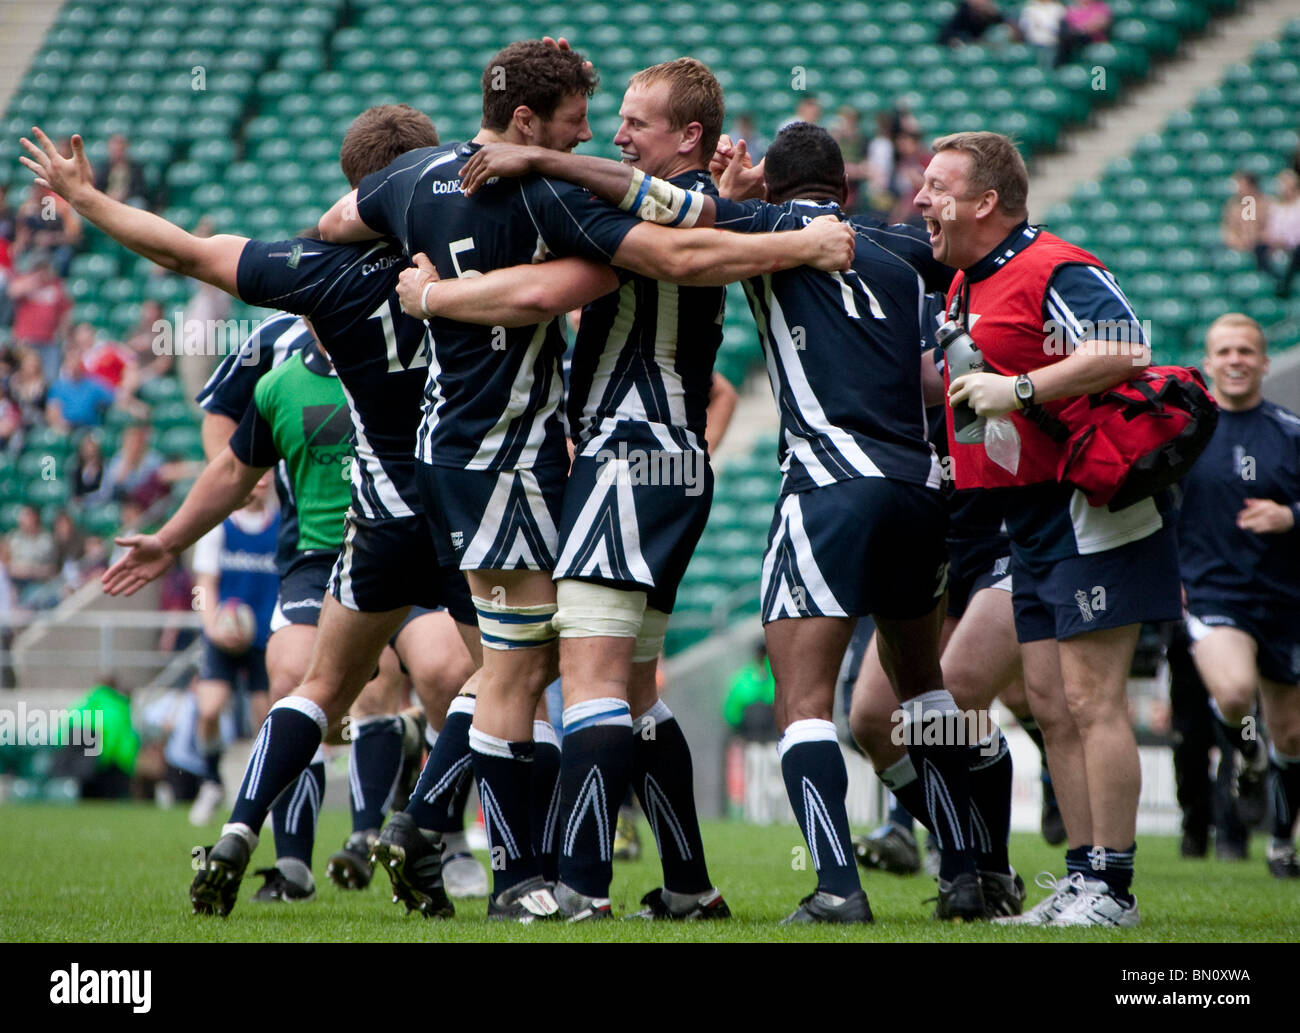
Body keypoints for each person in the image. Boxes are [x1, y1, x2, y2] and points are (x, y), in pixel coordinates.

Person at [316, 39, 856, 920]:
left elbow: (675, 250)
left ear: (687, 136)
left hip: (627, 449)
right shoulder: (697, 200)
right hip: (663, 457)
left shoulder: (662, 206)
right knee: (636, 688)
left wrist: (437, 287)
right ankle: (687, 884)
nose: (617, 139)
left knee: (586, 676)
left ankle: (572, 881)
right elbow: (688, 223)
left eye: (635, 126)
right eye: (610, 124)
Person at [25, 109, 487, 913]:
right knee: (502, 675)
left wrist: (89, 202)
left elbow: (186, 250)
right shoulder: (482, 250)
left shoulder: (320, 274)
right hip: (467, 507)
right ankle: (442, 837)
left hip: (378, 518)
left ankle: (253, 828)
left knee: (323, 685)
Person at [919, 130, 1181, 927]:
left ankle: (1114, 888)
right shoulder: (967, 279)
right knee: (1047, 699)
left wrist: (1022, 388)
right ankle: (1080, 878)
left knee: (1091, 697)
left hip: (1087, 504)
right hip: (1025, 514)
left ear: (985, 200)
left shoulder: (1053, 266)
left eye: (937, 185)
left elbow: (1126, 345)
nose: (922, 199)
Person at [1177, 312, 1300, 879]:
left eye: (1246, 351)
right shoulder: (1185, 429)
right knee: (1232, 692)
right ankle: (1244, 757)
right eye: (1224, 351)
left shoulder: (1290, 432)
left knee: (1292, 733)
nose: (1235, 360)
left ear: (1263, 361)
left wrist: (1289, 514)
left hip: (1285, 598)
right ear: (1208, 362)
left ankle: (1280, 838)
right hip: (1213, 593)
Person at [187, 474, 281, 826]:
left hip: (266, 637)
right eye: (254, 474)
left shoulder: (283, 525)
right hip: (223, 636)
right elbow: (204, 588)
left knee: (267, 718)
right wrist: (213, 628)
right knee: (208, 710)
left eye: (267, 474)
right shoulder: (220, 526)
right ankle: (211, 781)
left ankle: (265, 795)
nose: (260, 480)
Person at [1221, 170, 1271, 272]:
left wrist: (1255, 241)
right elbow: (1227, 231)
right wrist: (1239, 243)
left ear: (1251, 186)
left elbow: (1271, 230)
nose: (1238, 189)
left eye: (1241, 185)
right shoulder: (1233, 206)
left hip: (1263, 248)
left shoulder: (1267, 204)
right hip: (1237, 248)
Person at [1263, 169, 1300, 298]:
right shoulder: (1276, 206)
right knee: (1260, 248)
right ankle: (1273, 280)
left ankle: (1285, 284)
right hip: (1277, 244)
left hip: (1295, 245)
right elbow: (1272, 228)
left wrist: (1287, 241)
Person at [93, 134, 149, 209]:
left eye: (120, 149)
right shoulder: (104, 167)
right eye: (114, 150)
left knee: (137, 203)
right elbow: (98, 187)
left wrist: (124, 195)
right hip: (107, 198)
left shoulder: (135, 167)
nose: (117, 153)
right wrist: (108, 195)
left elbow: (140, 189)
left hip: (129, 199)